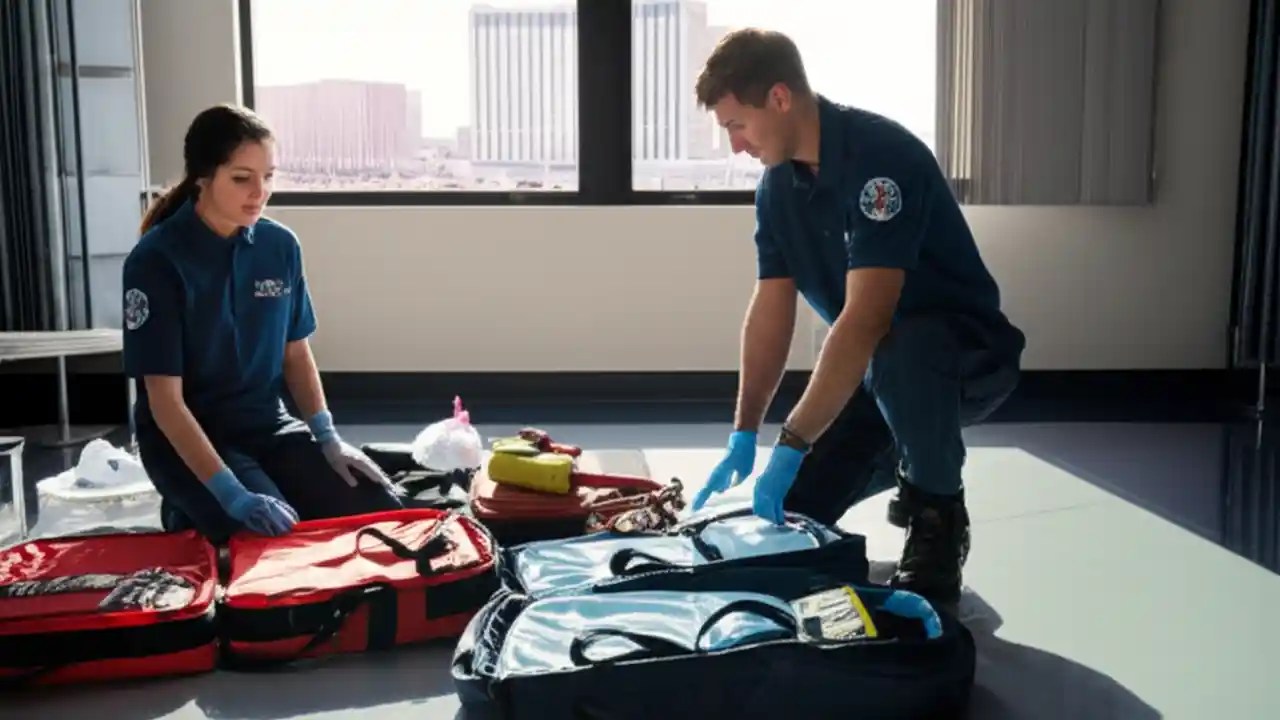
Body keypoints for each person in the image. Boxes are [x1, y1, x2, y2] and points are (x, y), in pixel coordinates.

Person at [688, 29, 1026, 603]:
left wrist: (793, 440)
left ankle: (937, 514)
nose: (736, 146)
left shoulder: (881, 160)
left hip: (962, 359)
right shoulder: (778, 189)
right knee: (797, 509)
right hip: (877, 373)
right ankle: (910, 465)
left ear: (779, 98)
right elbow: (770, 312)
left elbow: (867, 320)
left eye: (737, 125)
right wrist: (745, 431)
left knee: (901, 348)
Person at [122, 104, 403, 544]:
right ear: (203, 177)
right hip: (190, 436)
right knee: (271, 542)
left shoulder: (280, 246)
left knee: (384, 511)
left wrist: (328, 439)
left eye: (268, 176)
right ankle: (186, 507)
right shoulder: (156, 260)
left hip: (267, 426)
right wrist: (231, 495)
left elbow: (296, 352)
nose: (260, 192)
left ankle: (217, 506)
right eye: (242, 178)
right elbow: (165, 403)